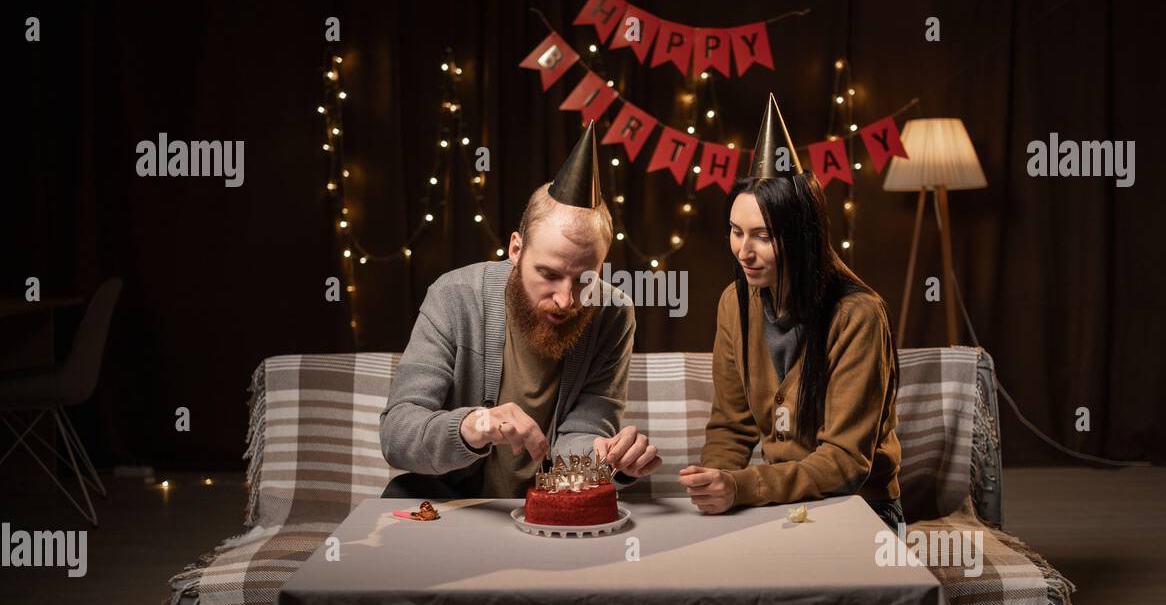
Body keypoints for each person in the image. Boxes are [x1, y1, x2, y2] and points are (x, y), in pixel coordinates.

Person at [379, 121, 661, 502]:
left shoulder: (613, 314)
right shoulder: (453, 295)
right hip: (448, 506)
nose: (566, 299)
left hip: (550, 508)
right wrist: (477, 423)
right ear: (516, 249)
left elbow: (582, 434)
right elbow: (397, 435)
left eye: (585, 279)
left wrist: (607, 457)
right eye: (548, 274)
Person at [678, 94, 905, 538]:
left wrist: (741, 487)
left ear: (802, 237)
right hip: (779, 501)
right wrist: (713, 485)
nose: (744, 251)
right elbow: (731, 424)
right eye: (736, 231)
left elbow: (844, 462)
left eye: (762, 236)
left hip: (861, 507)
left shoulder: (858, 315)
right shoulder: (734, 302)